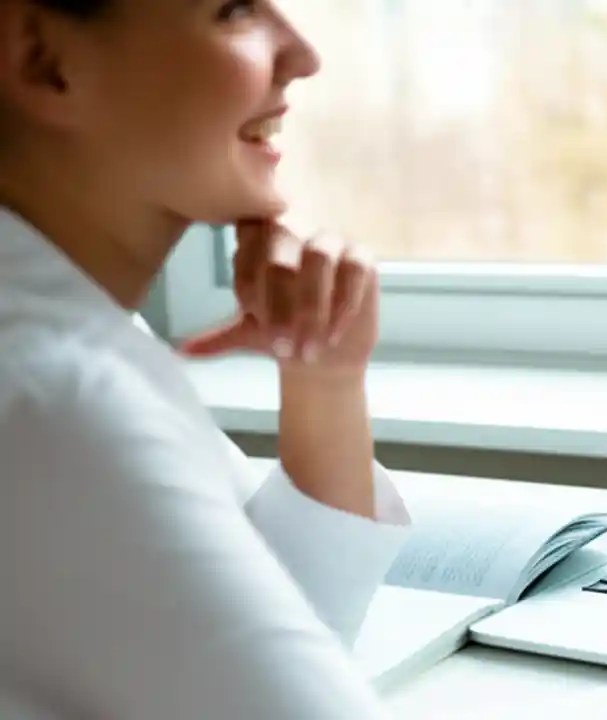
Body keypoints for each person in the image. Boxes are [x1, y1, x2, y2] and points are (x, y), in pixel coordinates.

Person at [0, 1, 412, 717]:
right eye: (234, 10)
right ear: (44, 59)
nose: (305, 55)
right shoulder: (55, 394)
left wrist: (324, 376)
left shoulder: (75, 338)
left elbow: (273, 629)